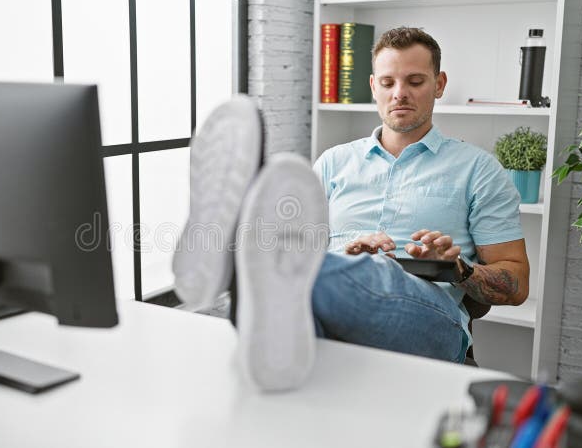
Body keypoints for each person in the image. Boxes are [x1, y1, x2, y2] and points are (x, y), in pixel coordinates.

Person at [172, 27, 529, 392]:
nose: (399, 93)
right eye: (388, 82)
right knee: (296, 293)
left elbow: (516, 285)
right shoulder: (333, 163)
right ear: (373, 87)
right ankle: (274, 341)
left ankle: (233, 255)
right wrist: (346, 254)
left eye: (415, 81)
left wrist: (457, 268)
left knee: (332, 267)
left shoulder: (478, 170)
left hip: (431, 323)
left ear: (439, 84)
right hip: (327, 309)